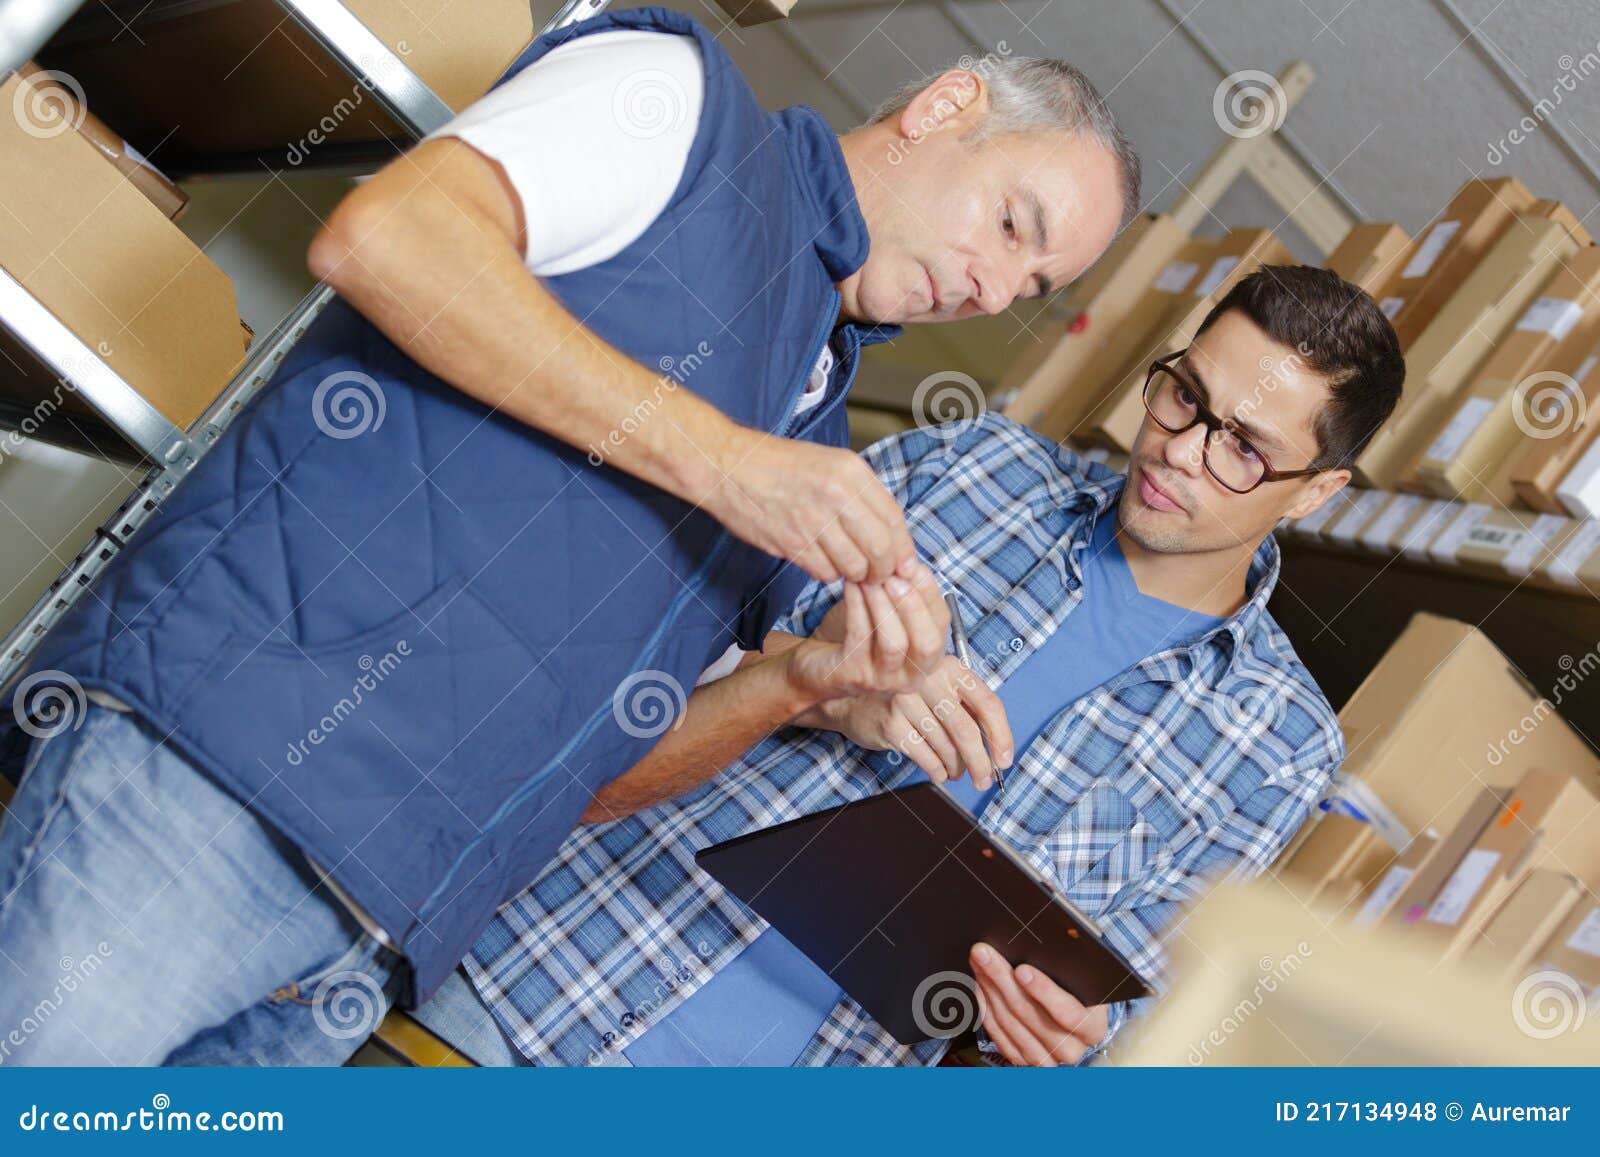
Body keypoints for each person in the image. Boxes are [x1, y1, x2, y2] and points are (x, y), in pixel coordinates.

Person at [0, 9, 1140, 1064]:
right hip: (221, 782)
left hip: (372, 939)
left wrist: (805, 678)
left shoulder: (815, 423)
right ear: (943, 109)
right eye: (1007, 223)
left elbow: (586, 776)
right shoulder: (679, 105)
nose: (991, 287)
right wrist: (727, 460)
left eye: (1029, 283)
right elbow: (390, 238)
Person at [404, 264, 1406, 1067]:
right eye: (1185, 395)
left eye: (1241, 446)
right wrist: (823, 684)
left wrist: (1078, 1036)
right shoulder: (976, 466)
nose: (1180, 449)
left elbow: (1135, 1006)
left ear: (1314, 491)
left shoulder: (1278, 740)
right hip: (536, 983)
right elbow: (669, 630)